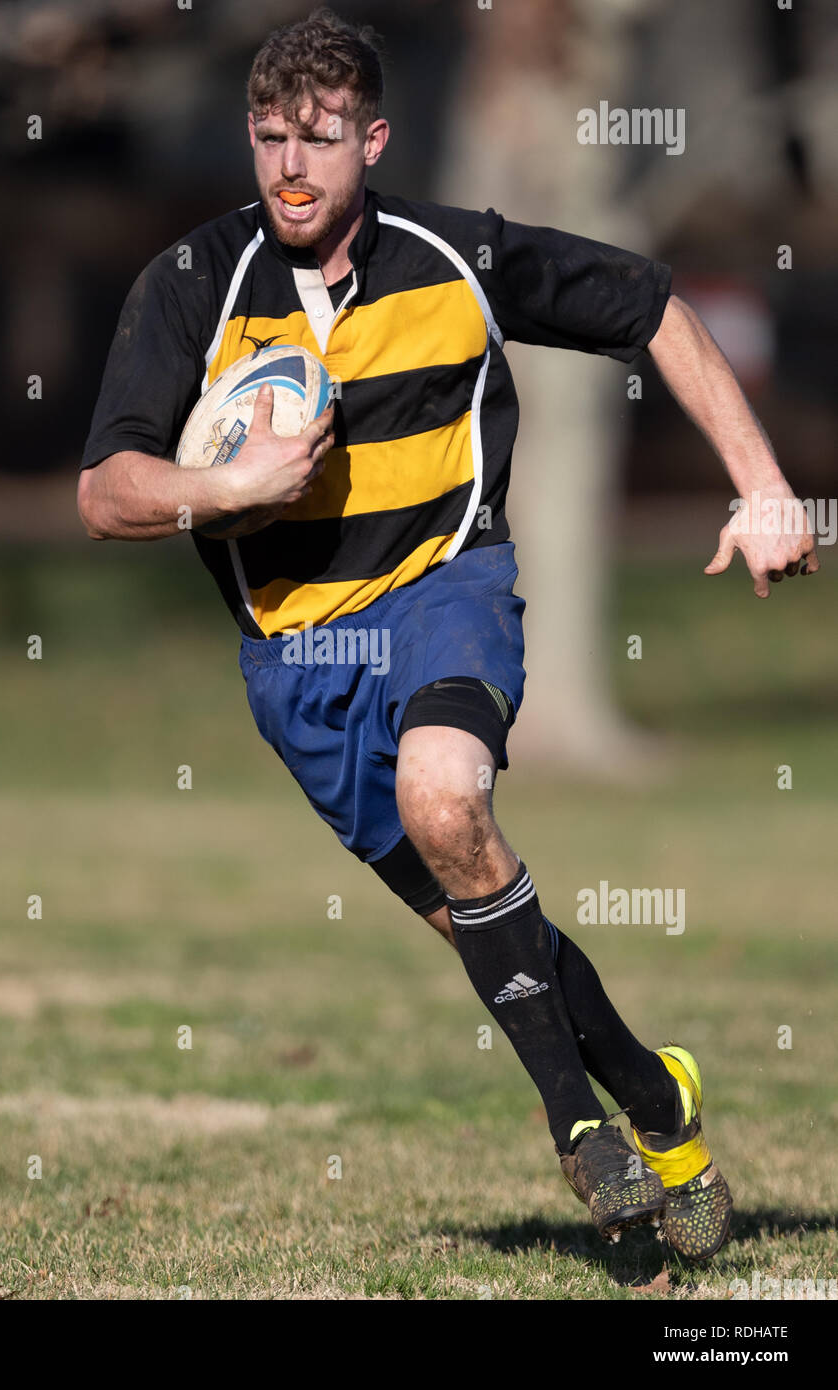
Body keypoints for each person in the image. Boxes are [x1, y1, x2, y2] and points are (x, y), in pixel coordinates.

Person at [77, 8, 817, 1259]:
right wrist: (228, 489)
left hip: (441, 593)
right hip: (295, 668)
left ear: (373, 138)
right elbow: (104, 493)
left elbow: (652, 309)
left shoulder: (457, 256)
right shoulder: (192, 286)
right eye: (267, 138)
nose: (289, 168)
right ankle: (657, 1103)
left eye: (317, 139)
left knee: (443, 796)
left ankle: (576, 1130)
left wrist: (759, 484)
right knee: (484, 910)